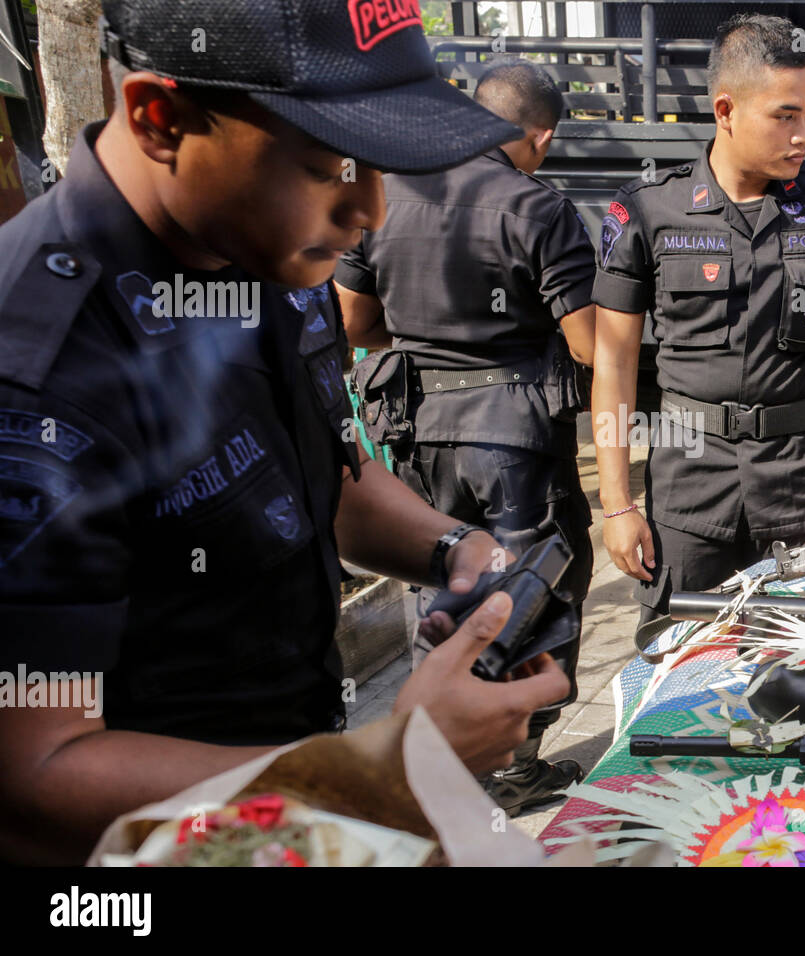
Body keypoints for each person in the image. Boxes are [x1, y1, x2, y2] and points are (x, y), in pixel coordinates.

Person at [0, 0, 569, 864]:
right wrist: (379, 771)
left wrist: (458, 553)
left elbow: (326, 479)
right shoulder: (36, 364)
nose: (370, 210)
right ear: (162, 118)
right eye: (327, 165)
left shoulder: (265, 250)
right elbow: (36, 774)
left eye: (378, 167)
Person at [333, 59, 596, 816]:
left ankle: (442, 766)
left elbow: (352, 324)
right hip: (512, 437)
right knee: (527, 591)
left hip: (415, 435)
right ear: (537, 135)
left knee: (437, 583)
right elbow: (584, 342)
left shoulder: (389, 193)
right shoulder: (539, 208)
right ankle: (510, 769)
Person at [592, 13, 805, 625]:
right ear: (725, 110)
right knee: (678, 662)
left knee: (801, 667)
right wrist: (618, 503)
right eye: (785, 116)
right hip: (689, 483)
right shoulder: (649, 210)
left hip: (801, 482)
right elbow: (614, 361)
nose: (804, 134)